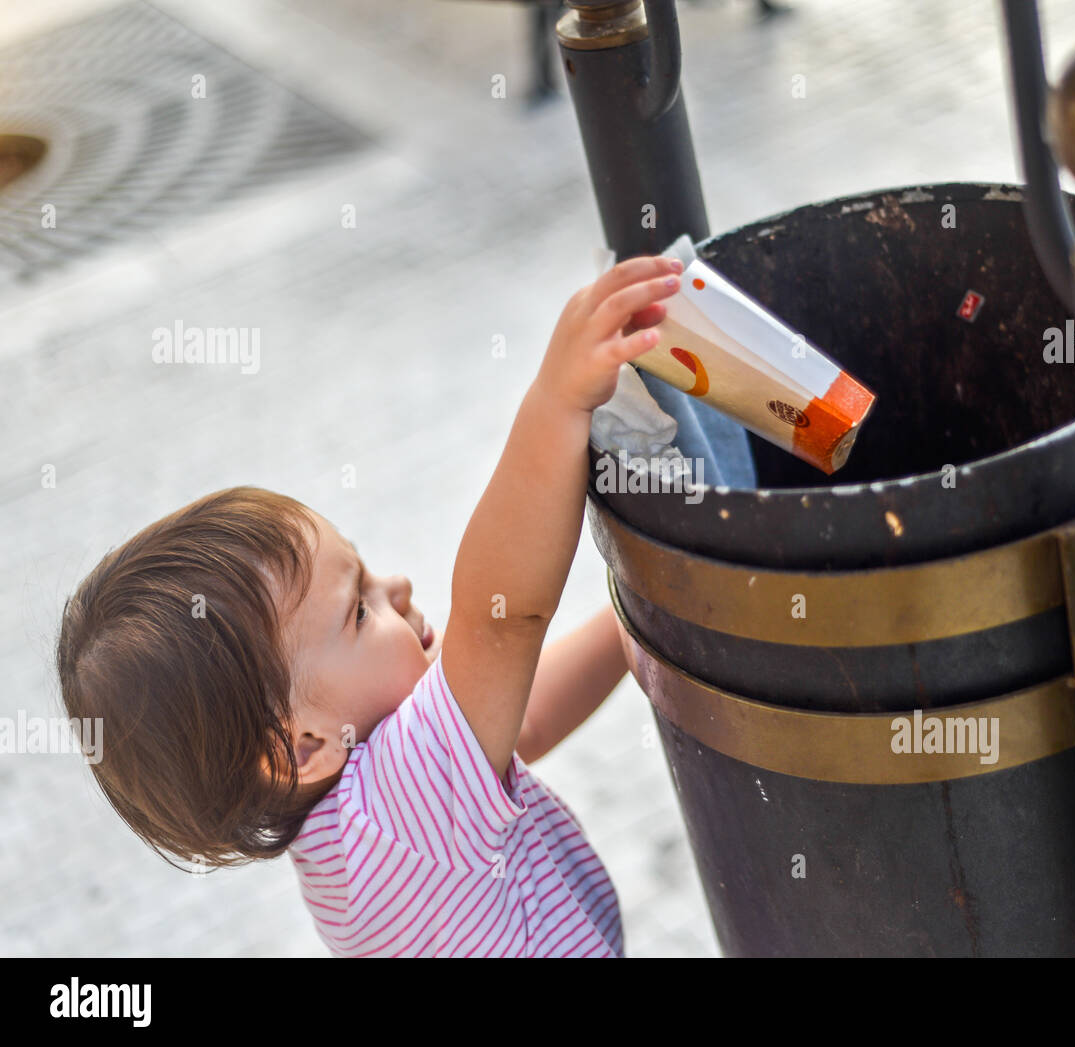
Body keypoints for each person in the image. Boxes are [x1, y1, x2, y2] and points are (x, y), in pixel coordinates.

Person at [56, 252, 686, 956]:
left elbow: (526, 715)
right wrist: (557, 400)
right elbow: (502, 619)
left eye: (367, 575)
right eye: (359, 610)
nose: (398, 589)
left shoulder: (350, 823)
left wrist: (644, 622)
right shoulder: (393, 811)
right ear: (300, 745)